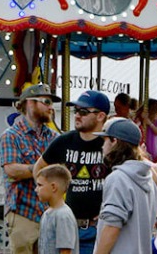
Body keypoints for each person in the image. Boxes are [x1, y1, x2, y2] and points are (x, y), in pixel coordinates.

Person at [38, 90, 112, 254]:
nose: (77, 115)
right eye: (76, 111)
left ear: (100, 116)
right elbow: (39, 170)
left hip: (97, 229)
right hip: (66, 225)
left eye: (84, 112)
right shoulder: (64, 141)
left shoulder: (109, 144)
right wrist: (51, 201)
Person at [92, 118, 157, 254]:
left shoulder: (118, 178)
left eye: (105, 140)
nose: (102, 146)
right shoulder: (149, 178)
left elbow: (112, 226)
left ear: (114, 141)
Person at [0, 84, 62, 254]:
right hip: (22, 212)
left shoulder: (55, 138)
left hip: (50, 212)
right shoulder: (11, 136)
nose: (51, 107)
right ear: (30, 103)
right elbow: (11, 170)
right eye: (46, 102)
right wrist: (44, 168)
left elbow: (63, 171)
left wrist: (32, 170)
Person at [36, 165, 78, 254]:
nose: (36, 189)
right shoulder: (47, 213)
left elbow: (65, 250)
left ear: (53, 187)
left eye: (40, 185)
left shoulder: (63, 215)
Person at [137, 99, 157, 165]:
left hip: (153, 144)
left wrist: (150, 123)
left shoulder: (156, 121)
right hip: (145, 142)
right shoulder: (142, 120)